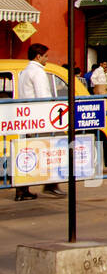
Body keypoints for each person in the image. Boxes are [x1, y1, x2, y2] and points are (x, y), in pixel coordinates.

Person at [14, 43, 62, 200]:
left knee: (27, 152)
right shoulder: (38, 72)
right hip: (39, 117)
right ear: (38, 56)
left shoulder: (24, 71)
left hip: (27, 117)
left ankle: (22, 190)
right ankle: (50, 184)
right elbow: (43, 96)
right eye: (45, 56)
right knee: (50, 149)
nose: (47, 59)